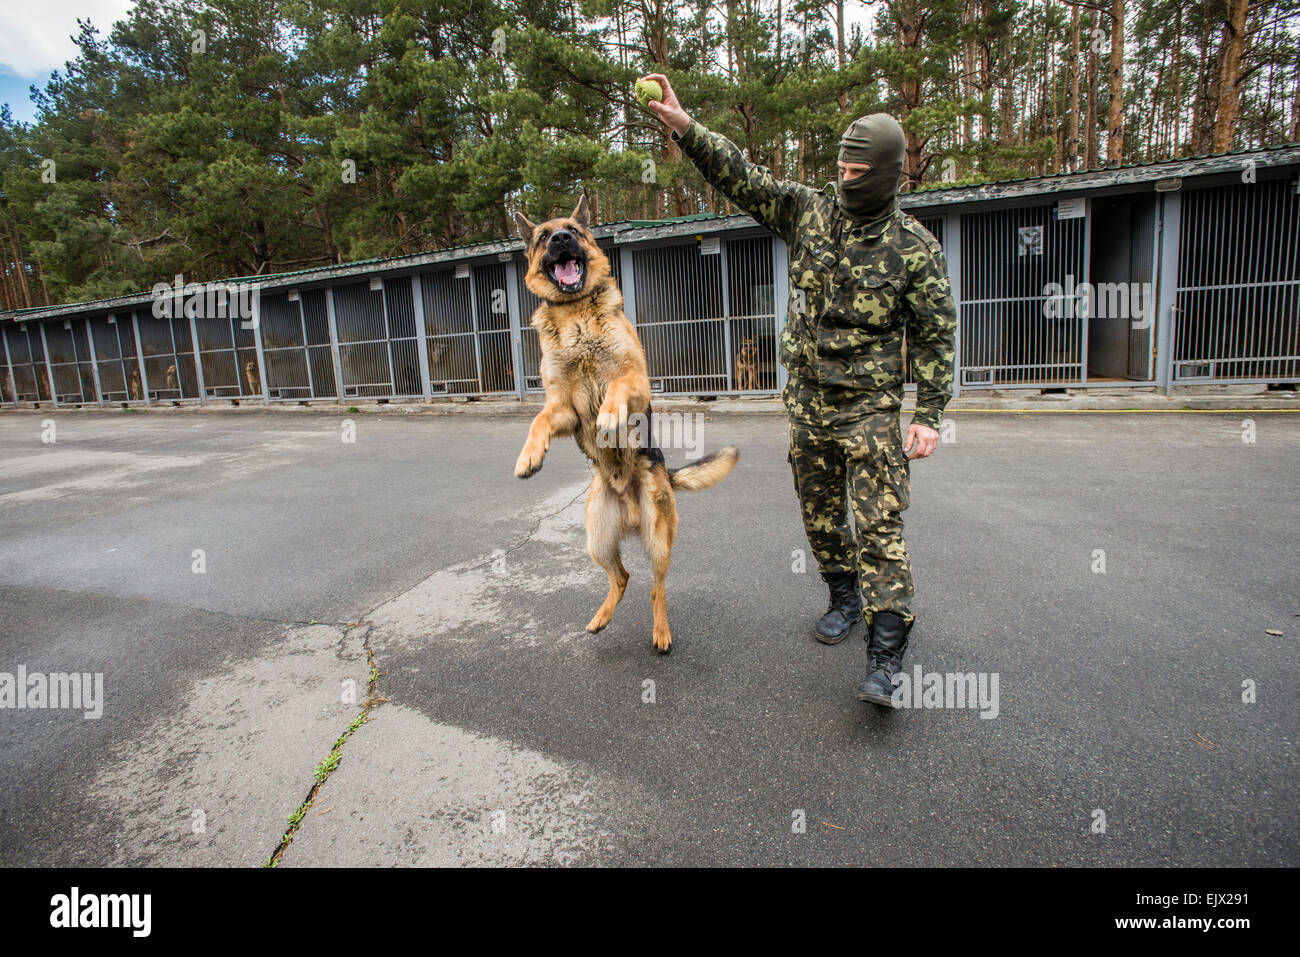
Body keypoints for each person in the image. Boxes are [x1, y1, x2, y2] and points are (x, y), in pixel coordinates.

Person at [641, 73, 956, 707]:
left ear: (888, 173)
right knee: (819, 516)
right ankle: (842, 596)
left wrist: (930, 413)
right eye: (840, 165)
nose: (844, 178)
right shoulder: (808, 211)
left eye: (859, 169)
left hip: (868, 409)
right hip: (806, 407)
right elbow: (743, 176)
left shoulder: (914, 247)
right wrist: (684, 127)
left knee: (881, 525)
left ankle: (886, 654)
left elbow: (935, 334)